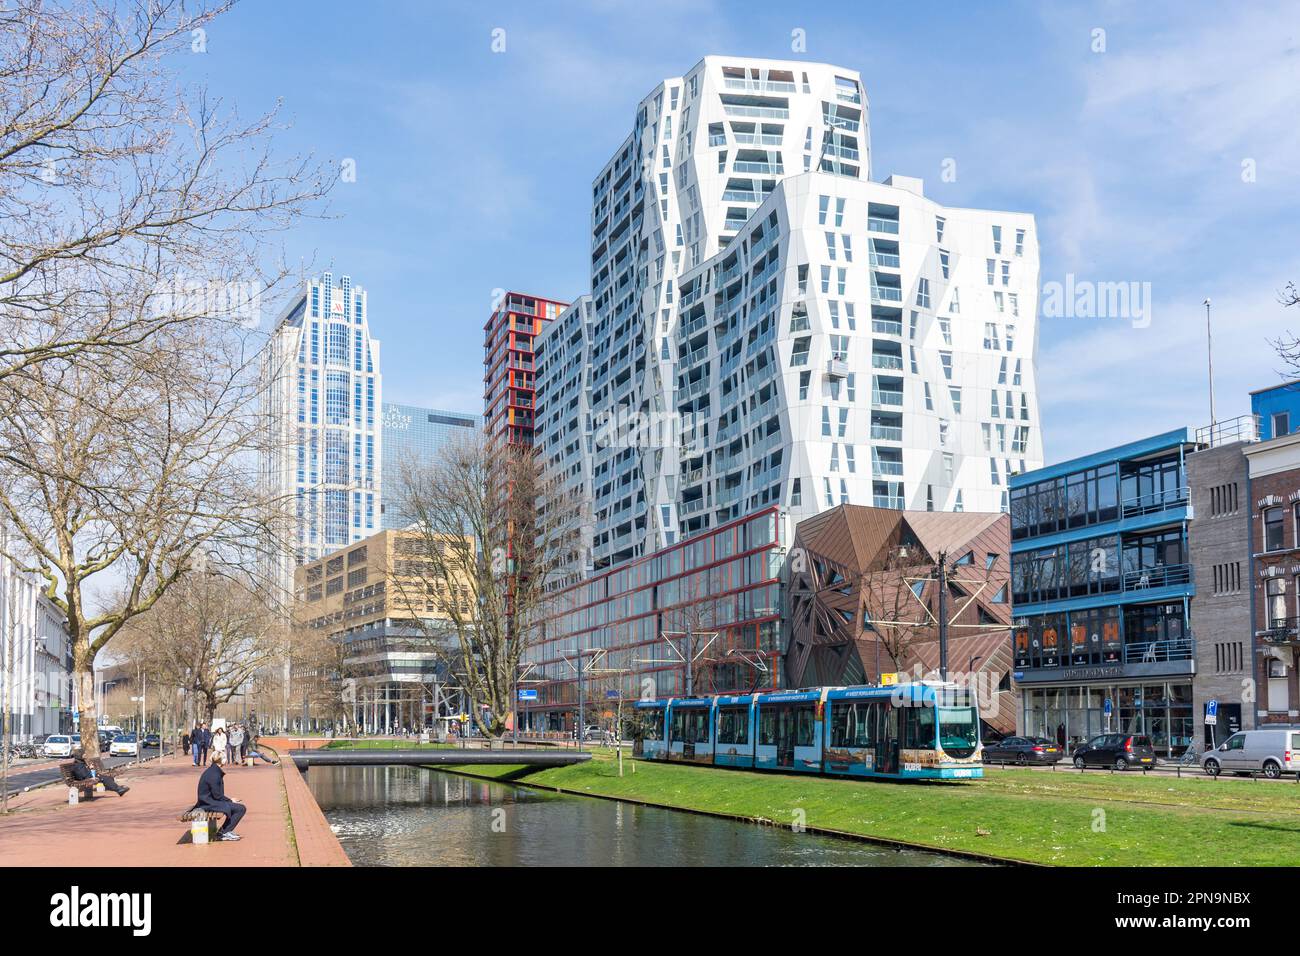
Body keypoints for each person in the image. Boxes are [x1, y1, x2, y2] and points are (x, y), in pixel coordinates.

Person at [191, 751, 244, 841]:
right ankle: (224, 832)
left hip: (207, 801)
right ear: (223, 761)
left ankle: (225, 831)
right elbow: (217, 796)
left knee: (237, 807)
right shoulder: (214, 774)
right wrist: (230, 800)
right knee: (241, 809)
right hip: (208, 803)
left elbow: (217, 795)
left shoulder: (213, 771)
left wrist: (229, 801)